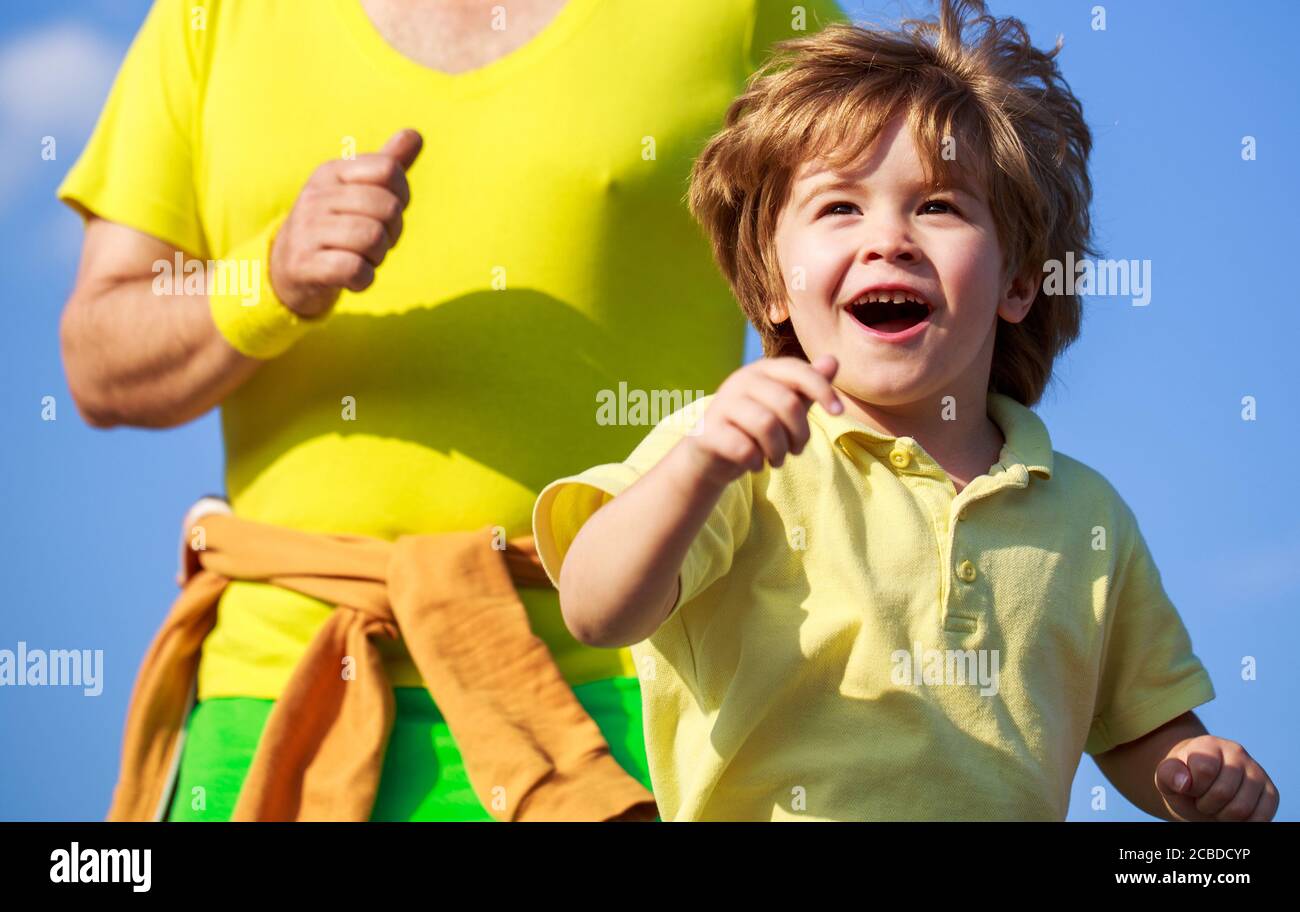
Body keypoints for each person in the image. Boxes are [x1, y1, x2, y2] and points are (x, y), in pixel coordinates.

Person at [56, 0, 848, 821]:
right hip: (274, 708)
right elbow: (98, 361)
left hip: (626, 705)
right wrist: (270, 279)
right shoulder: (211, 16)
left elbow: (881, 276)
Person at [532, 0, 1281, 821]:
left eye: (940, 206)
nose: (889, 238)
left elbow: (1143, 727)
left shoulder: (1090, 516)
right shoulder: (732, 452)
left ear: (1019, 283)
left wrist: (1196, 772)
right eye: (839, 208)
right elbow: (599, 608)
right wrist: (702, 463)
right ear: (775, 283)